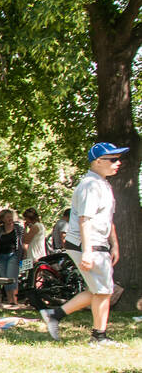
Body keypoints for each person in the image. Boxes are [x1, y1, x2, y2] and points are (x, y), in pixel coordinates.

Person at [41, 143, 127, 347]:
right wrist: (87, 251)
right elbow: (84, 220)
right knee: (104, 290)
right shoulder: (90, 185)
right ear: (98, 161)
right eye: (113, 159)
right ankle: (98, 336)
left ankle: (55, 315)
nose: (118, 163)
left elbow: (108, 219)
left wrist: (114, 245)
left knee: (100, 289)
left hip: (98, 243)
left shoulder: (103, 184)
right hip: (87, 244)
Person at [0, 209, 24, 305]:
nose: (10, 219)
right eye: (7, 217)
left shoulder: (18, 228)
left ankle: (14, 300)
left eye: (11, 216)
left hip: (14, 255)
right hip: (1, 256)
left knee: (12, 277)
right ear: (2, 219)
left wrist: (25, 258)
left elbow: (23, 243)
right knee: (5, 278)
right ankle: (9, 299)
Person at [21, 208, 46, 276]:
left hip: (34, 255)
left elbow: (26, 240)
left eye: (26, 219)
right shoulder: (41, 226)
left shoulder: (35, 227)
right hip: (38, 254)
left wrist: (25, 228)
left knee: (21, 268)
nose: (25, 221)